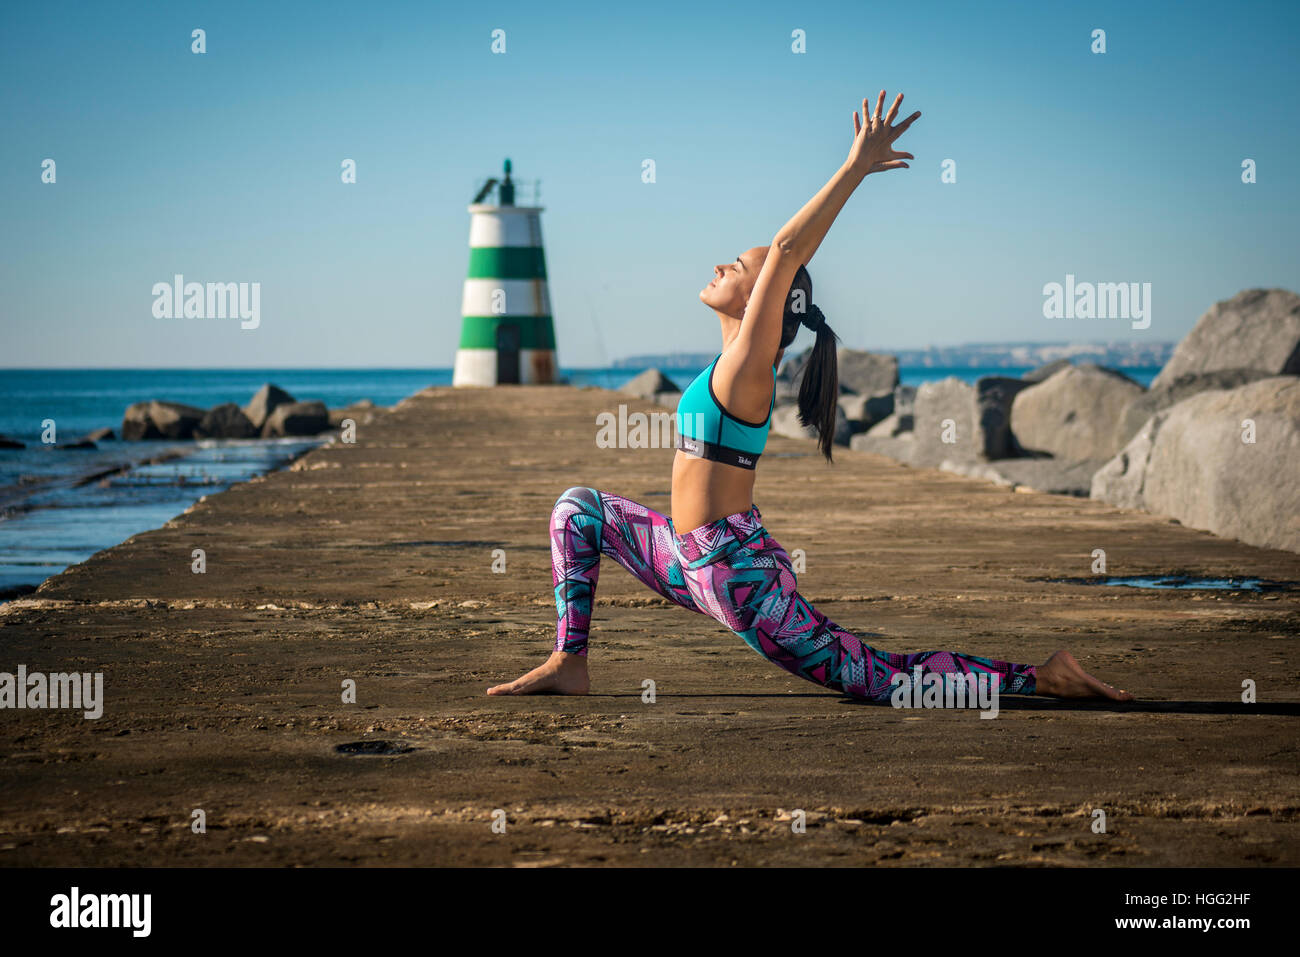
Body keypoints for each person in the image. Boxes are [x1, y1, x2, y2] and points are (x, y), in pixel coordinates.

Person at [488, 90, 1132, 703]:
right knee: (578, 510)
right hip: (685, 560)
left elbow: (790, 249)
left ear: (764, 297)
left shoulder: (749, 366)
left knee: (881, 681)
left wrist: (854, 167)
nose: (721, 267)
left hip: (741, 581)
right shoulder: (728, 363)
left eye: (739, 269)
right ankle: (570, 662)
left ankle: (1041, 678)